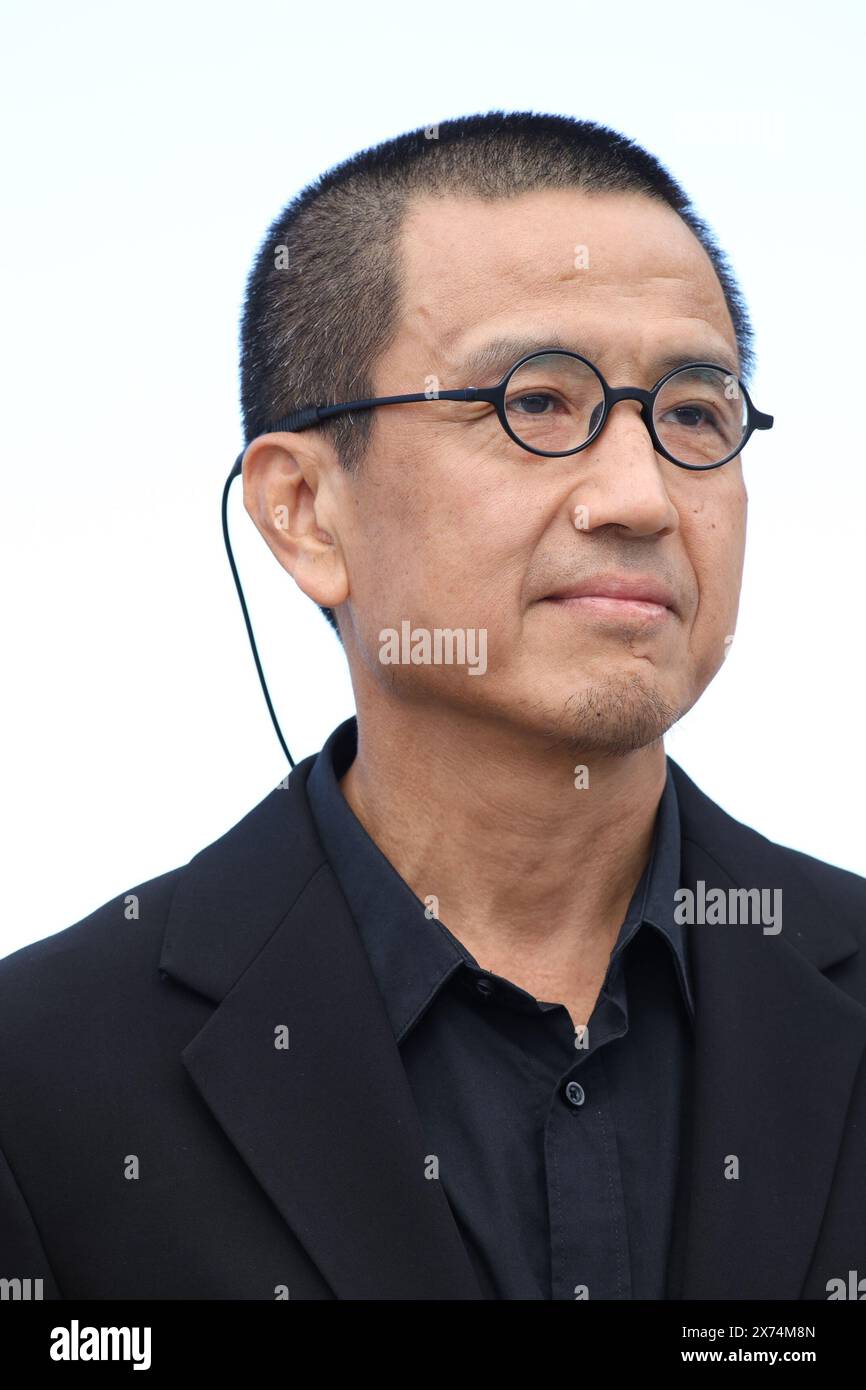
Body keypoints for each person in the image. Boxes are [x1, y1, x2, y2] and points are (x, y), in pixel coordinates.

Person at [2, 110, 865, 1302]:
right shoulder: (41, 1078)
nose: (640, 495)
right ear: (303, 511)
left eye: (691, 413)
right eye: (536, 402)